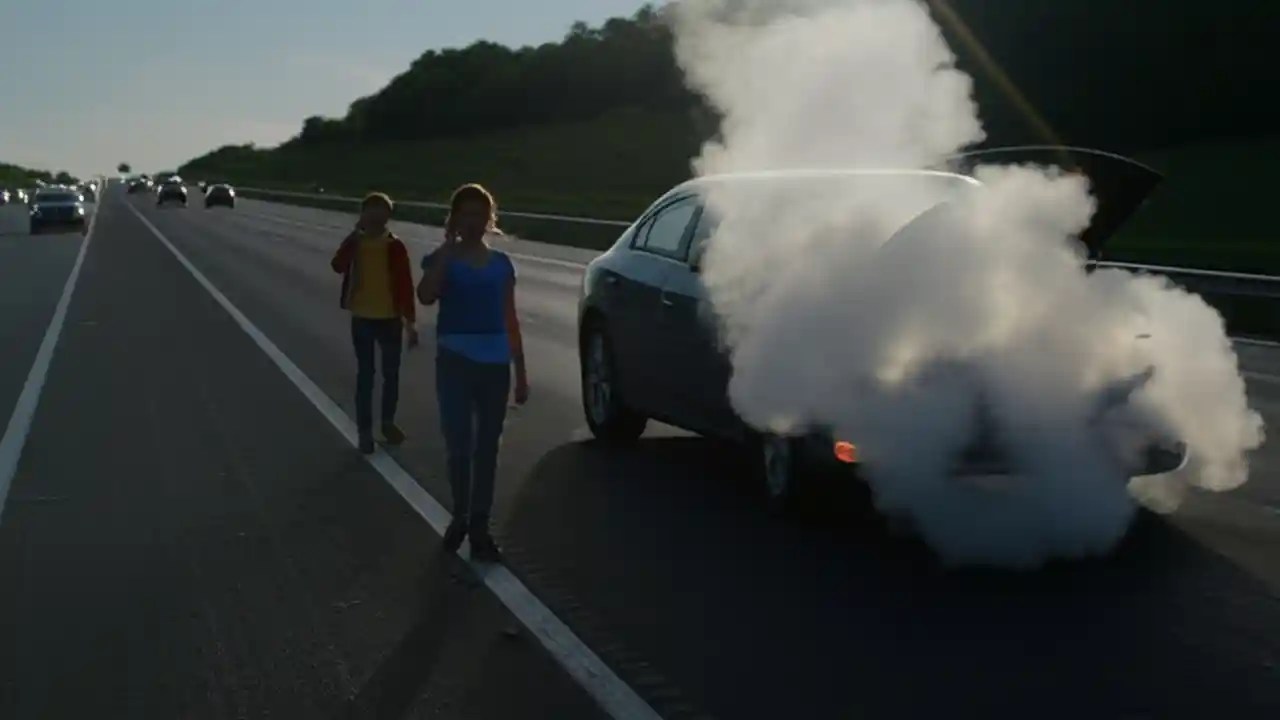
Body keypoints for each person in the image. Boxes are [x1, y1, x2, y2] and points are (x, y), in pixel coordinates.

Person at [417, 183, 529, 562]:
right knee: (459, 446)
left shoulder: (501, 265)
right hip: (455, 360)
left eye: (479, 214)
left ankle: (480, 525)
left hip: (495, 363)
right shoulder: (442, 258)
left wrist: (522, 371)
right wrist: (447, 252)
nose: (473, 221)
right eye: (465, 213)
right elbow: (426, 296)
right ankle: (460, 516)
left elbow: (510, 318)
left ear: (489, 218)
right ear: (454, 218)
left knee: (487, 450)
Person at [330, 192, 419, 454]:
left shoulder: (395, 246)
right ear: (363, 214)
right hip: (363, 317)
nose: (376, 216)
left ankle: (388, 422)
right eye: (371, 210)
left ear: (388, 216)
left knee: (391, 376)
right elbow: (337, 265)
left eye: (382, 211)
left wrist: (410, 323)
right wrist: (352, 236)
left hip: (390, 319)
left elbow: (405, 285)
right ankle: (365, 431)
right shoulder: (355, 244)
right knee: (366, 376)